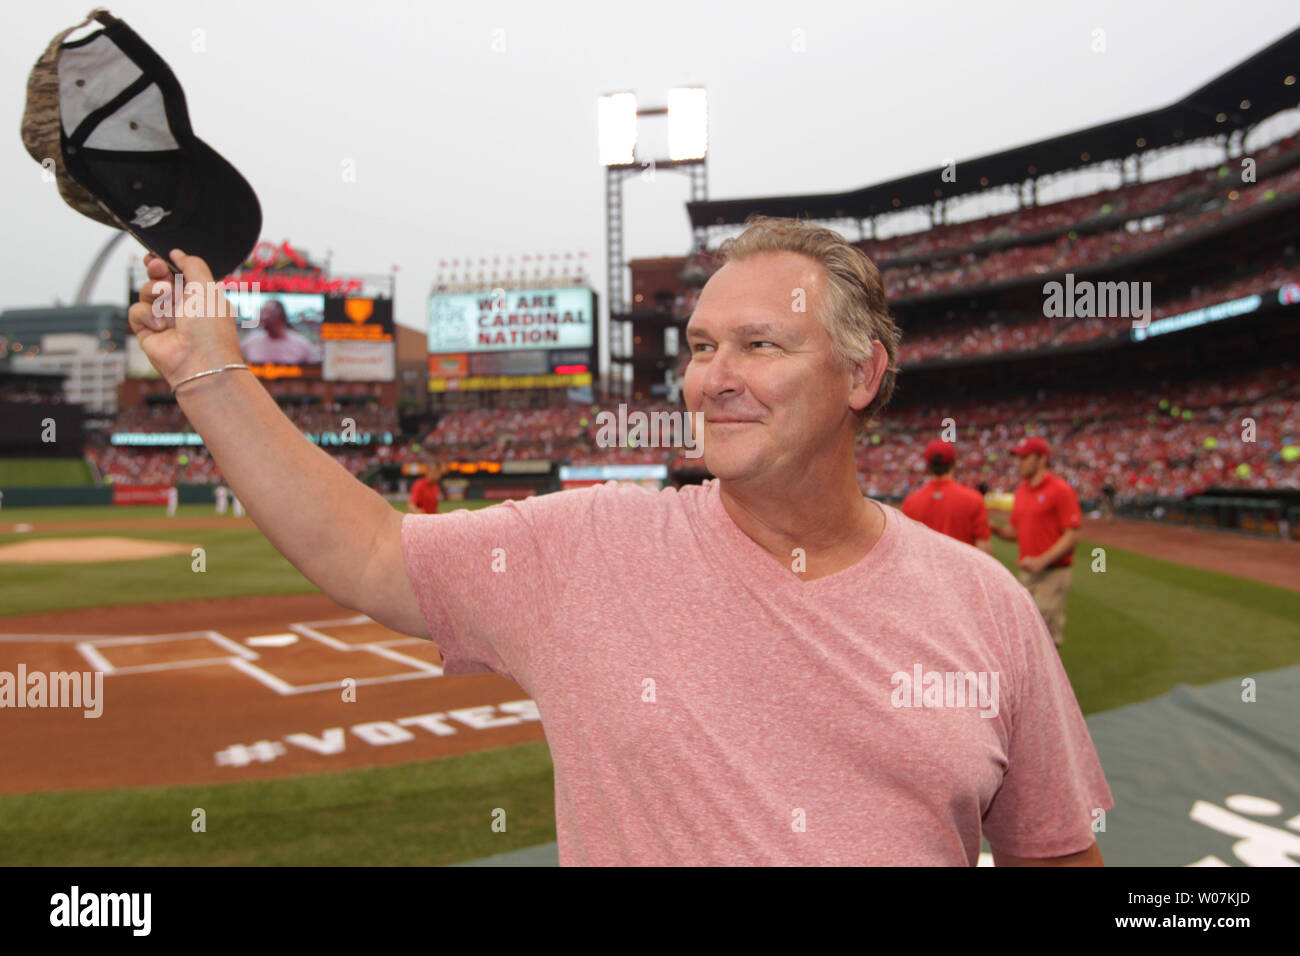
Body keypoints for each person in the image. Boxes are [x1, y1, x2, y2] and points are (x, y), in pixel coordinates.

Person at [128, 219, 1110, 867]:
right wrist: (212, 371)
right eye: (699, 346)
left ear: (862, 375)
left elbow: (1055, 855)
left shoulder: (984, 603)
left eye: (759, 344)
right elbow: (370, 551)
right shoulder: (588, 544)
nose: (712, 376)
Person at [990, 437, 1082, 648]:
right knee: (1023, 636)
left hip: (1052, 573)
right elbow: (1015, 532)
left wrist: (1042, 560)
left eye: (1024, 457)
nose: (1019, 462)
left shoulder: (1060, 489)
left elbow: (1072, 535)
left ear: (1041, 459)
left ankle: (1047, 681)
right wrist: (995, 529)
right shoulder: (1022, 491)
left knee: (1043, 640)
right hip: (1027, 573)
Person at [900, 439, 992, 552]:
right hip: (962, 568)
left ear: (928, 465)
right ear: (953, 463)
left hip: (924, 569)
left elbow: (906, 550)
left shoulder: (910, 502)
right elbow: (984, 551)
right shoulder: (974, 499)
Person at [239, 300, 320, 364]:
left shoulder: (302, 344)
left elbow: (315, 371)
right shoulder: (251, 341)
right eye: (261, 313)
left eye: (266, 313)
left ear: (280, 316)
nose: (261, 317)